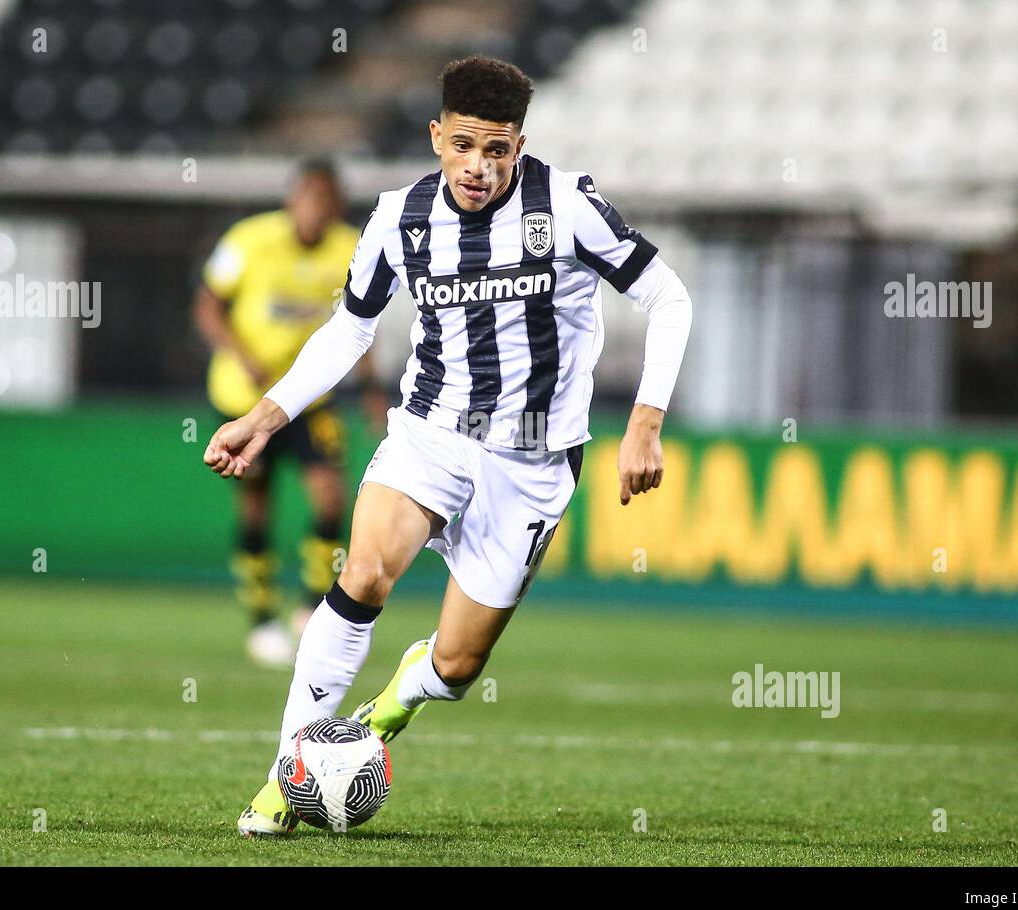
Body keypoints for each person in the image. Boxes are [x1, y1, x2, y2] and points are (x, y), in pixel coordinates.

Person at [204, 55, 693, 836]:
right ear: (437, 136)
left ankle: (390, 705)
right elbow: (351, 328)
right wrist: (266, 415)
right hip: (430, 434)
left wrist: (645, 421)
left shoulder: (566, 206)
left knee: (458, 667)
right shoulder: (399, 218)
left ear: (520, 146)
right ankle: (284, 776)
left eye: (497, 150)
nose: (478, 166)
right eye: (463, 144)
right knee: (361, 572)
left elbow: (668, 297)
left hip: (534, 461)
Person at [194, 159, 386, 667]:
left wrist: (371, 389)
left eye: (328, 202)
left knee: (330, 496)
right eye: (310, 199)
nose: (318, 211)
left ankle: (310, 606)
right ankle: (260, 616)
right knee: (256, 500)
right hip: (244, 397)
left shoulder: (350, 246)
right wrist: (243, 356)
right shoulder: (249, 240)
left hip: (308, 398)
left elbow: (358, 324)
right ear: (293, 199)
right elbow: (208, 306)